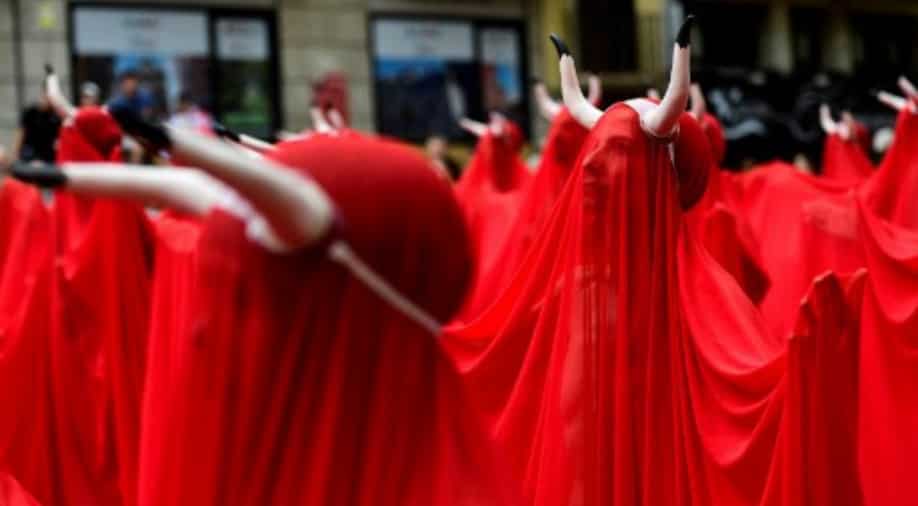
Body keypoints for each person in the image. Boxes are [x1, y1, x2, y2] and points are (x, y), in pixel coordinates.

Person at [11, 91, 60, 163]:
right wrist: (15, 153)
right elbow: (21, 133)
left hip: (47, 154)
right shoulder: (31, 112)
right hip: (29, 151)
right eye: (45, 97)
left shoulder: (55, 116)